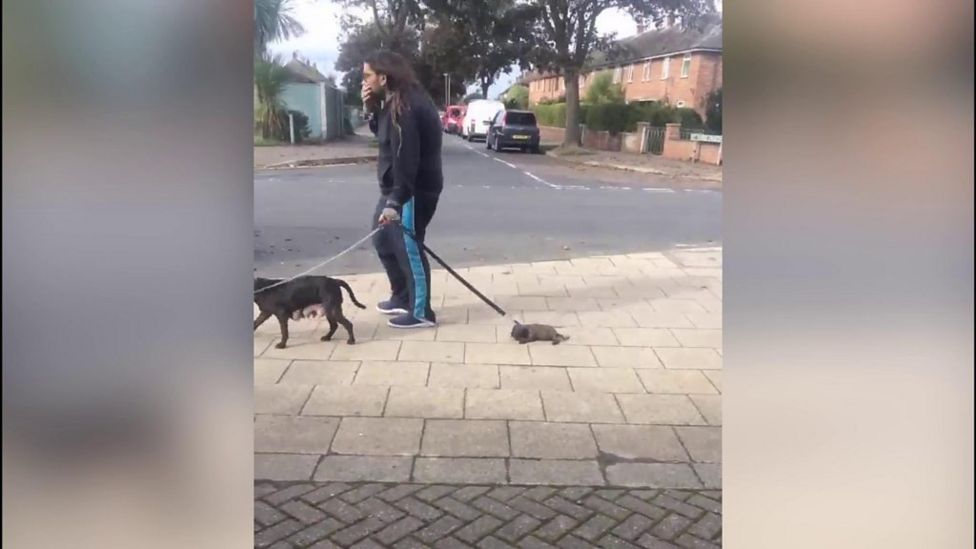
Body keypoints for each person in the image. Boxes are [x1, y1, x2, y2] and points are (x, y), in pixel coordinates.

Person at [361, 50, 443, 328]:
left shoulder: (406, 107)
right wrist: (371, 109)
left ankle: (421, 312)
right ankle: (403, 296)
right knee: (383, 240)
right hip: (396, 189)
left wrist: (396, 201)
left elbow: (407, 158)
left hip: (411, 191)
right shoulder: (395, 103)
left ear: (383, 77)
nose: (365, 82)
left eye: (367, 76)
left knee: (408, 248)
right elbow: (385, 139)